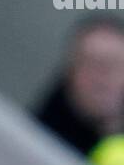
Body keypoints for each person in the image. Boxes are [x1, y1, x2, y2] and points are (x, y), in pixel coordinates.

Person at [36, 17, 124, 157]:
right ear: (70, 72)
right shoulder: (32, 141)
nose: (102, 77)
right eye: (92, 63)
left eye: (114, 64)